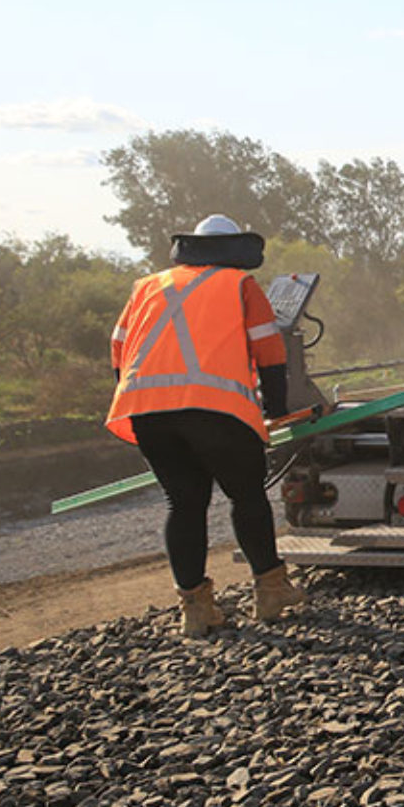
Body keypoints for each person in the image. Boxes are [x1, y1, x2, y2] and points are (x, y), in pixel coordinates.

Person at [107, 215, 307, 637]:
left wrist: (144, 401)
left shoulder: (146, 286)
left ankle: (196, 609)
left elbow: (119, 348)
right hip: (215, 409)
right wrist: (275, 407)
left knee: (182, 502)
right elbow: (270, 351)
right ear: (233, 250)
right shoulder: (239, 285)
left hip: (147, 409)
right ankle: (270, 590)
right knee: (246, 494)